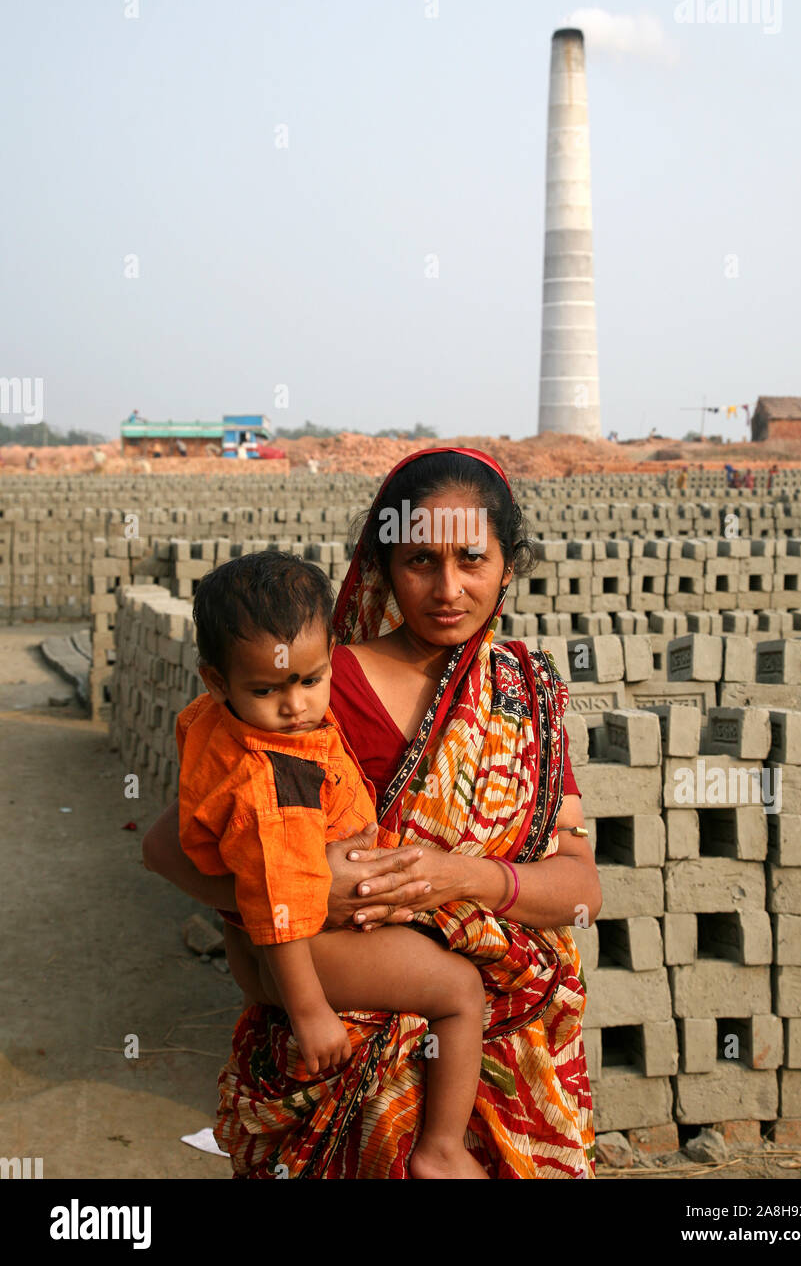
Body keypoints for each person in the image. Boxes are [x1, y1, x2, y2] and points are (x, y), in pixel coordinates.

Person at [142, 447, 600, 1178]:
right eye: (420, 561)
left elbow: (580, 889)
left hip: (504, 1052)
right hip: (341, 1052)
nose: (448, 589)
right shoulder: (318, 688)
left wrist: (457, 878)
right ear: (384, 565)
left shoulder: (524, 698)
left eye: (472, 560)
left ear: (508, 566)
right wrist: (302, 901)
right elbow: (170, 849)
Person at [178, 550, 490, 1180]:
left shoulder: (215, 721)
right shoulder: (280, 780)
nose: (295, 705)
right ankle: (441, 1148)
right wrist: (310, 1012)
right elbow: (281, 901)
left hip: (275, 937)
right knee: (461, 991)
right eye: (267, 689)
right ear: (217, 681)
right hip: (305, 947)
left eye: (311, 680)